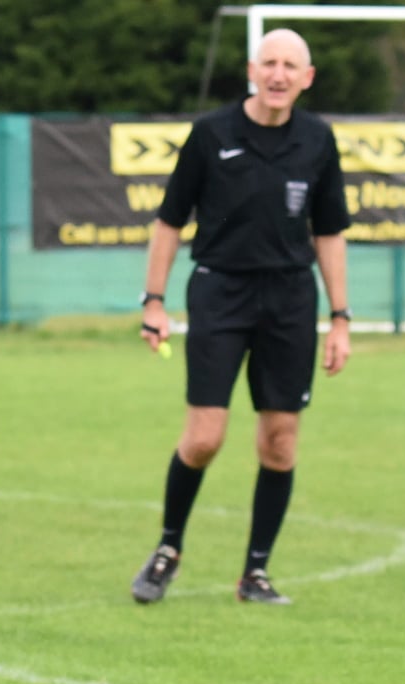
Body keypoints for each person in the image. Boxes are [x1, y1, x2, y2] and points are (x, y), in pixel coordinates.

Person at [132, 27, 350, 607]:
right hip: (220, 292)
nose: (278, 74)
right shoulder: (211, 134)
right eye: (268, 63)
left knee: (280, 441)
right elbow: (169, 221)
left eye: (290, 66)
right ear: (252, 71)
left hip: (290, 300)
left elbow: (330, 231)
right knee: (205, 437)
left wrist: (341, 318)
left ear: (307, 78)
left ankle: (255, 573)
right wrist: (153, 301)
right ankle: (168, 549)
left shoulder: (318, 139)